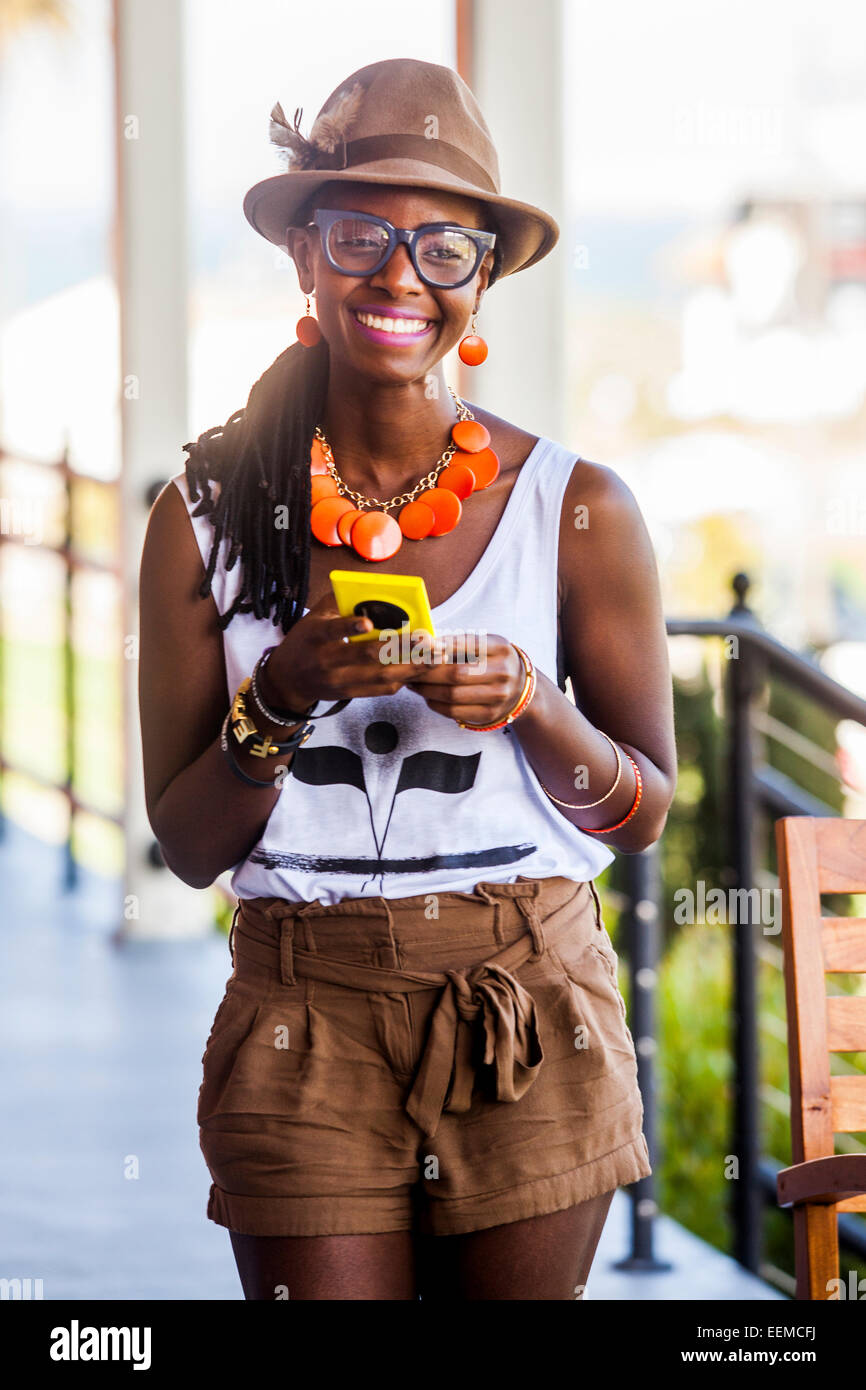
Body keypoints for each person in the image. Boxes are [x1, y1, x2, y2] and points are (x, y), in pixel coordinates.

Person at [139, 57, 676, 1301]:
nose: (398, 274)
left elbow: (641, 812)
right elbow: (185, 843)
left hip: (527, 998)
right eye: (359, 234)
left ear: (482, 276)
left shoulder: (578, 509)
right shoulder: (207, 518)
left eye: (443, 247)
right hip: (301, 1011)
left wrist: (534, 706)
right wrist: (276, 696)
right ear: (304, 259)